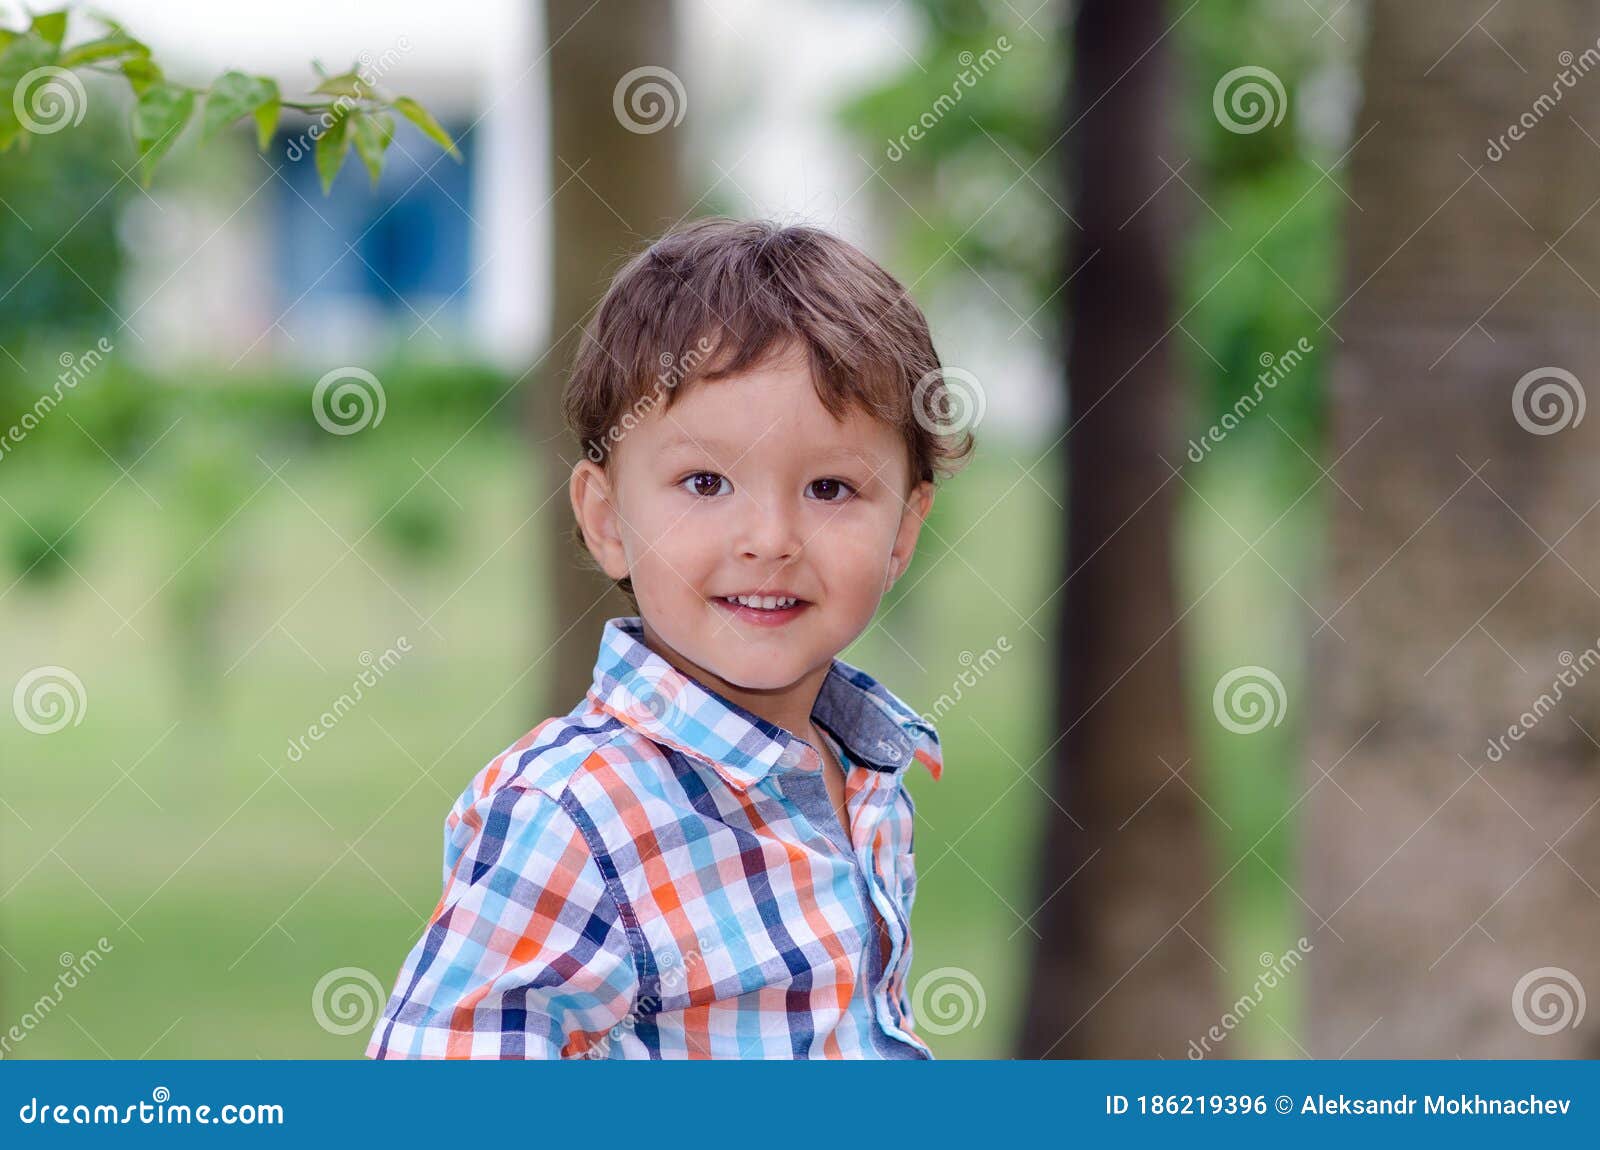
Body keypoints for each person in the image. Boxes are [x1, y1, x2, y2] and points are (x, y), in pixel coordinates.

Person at [367, 217, 974, 1058]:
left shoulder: (867, 778)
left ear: (905, 530)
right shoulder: (572, 815)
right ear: (607, 519)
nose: (771, 538)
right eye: (706, 482)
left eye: (831, 487)